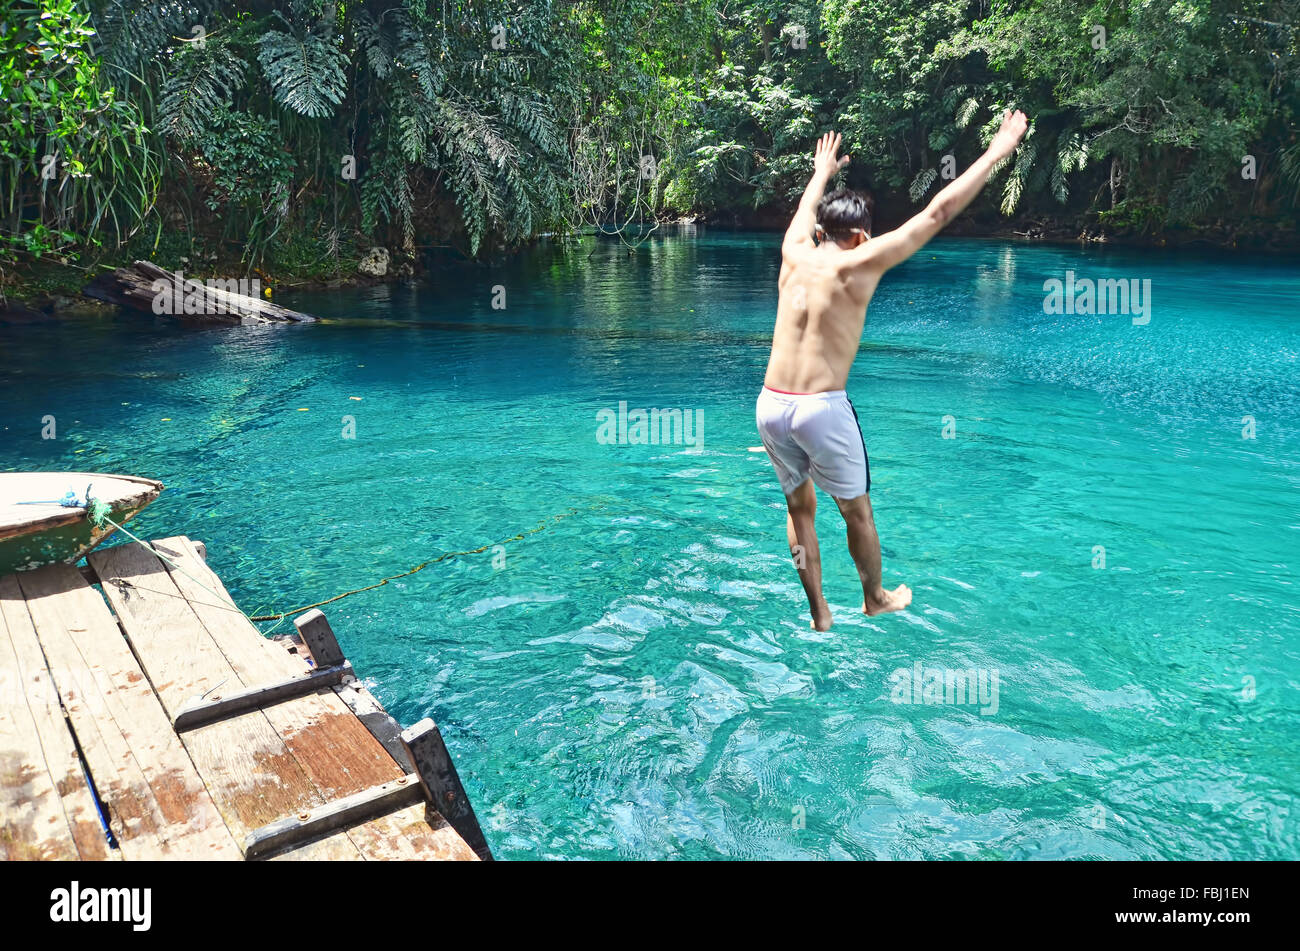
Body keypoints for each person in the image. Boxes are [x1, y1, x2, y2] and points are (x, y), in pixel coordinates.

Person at [756, 111, 1029, 630]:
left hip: (771, 404)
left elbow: (805, 208)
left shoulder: (794, 251)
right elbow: (936, 213)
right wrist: (997, 152)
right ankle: (874, 596)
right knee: (855, 511)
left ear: (821, 231)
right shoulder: (860, 261)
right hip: (820, 409)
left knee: (799, 510)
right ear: (860, 235)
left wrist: (822, 172)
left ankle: (819, 614)